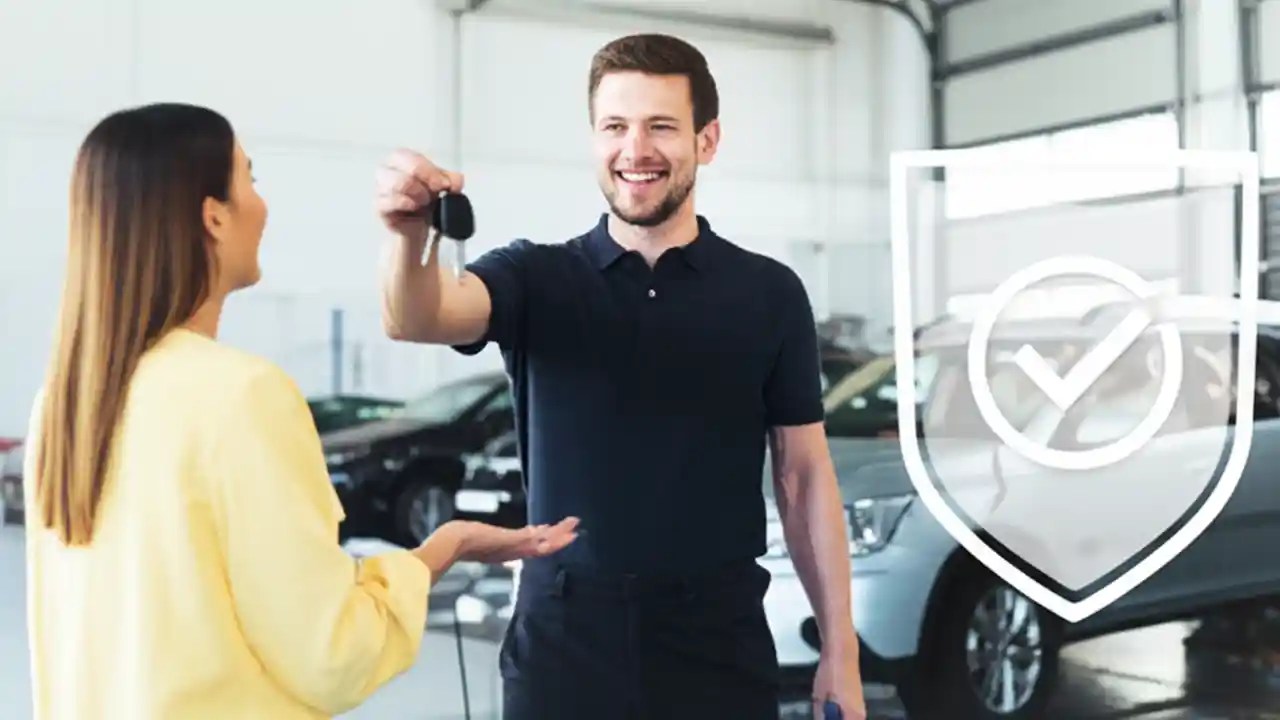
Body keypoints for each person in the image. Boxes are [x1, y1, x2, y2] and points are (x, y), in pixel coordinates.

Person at [22, 102, 579, 720]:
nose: (262, 206)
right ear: (212, 216)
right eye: (250, 181)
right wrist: (438, 552)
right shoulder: (239, 397)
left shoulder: (64, 404)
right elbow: (332, 655)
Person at [376, 33, 866, 720]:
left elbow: (804, 476)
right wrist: (406, 239)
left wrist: (839, 652)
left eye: (662, 126)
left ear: (708, 140)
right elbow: (419, 317)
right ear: (594, 138)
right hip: (565, 641)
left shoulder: (769, 294)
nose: (635, 151)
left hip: (717, 643)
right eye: (615, 127)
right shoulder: (536, 278)